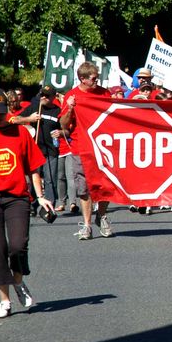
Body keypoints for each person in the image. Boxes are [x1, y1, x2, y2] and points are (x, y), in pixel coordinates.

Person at [0, 89, 55, 318]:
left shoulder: (20, 133)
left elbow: (33, 167)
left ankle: (18, 281)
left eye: (0, 113)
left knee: (18, 245)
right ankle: (4, 300)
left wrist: (40, 196)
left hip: (17, 197)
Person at [59, 61, 113, 240]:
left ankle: (102, 216)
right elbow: (63, 124)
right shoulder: (72, 95)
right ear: (82, 79)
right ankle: (87, 224)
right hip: (80, 147)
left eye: (97, 78)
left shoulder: (104, 93)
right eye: (93, 78)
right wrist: (70, 108)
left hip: (103, 147)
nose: (97, 81)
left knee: (105, 185)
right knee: (84, 188)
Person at [12, 86, 62, 205]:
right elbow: (16, 119)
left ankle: (50, 205)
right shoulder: (35, 107)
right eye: (42, 95)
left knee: (50, 179)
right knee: (34, 178)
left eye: (47, 96)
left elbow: (65, 129)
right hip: (35, 149)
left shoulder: (57, 111)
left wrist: (60, 132)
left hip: (50, 150)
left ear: (53, 97)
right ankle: (33, 203)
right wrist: (30, 118)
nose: (43, 97)